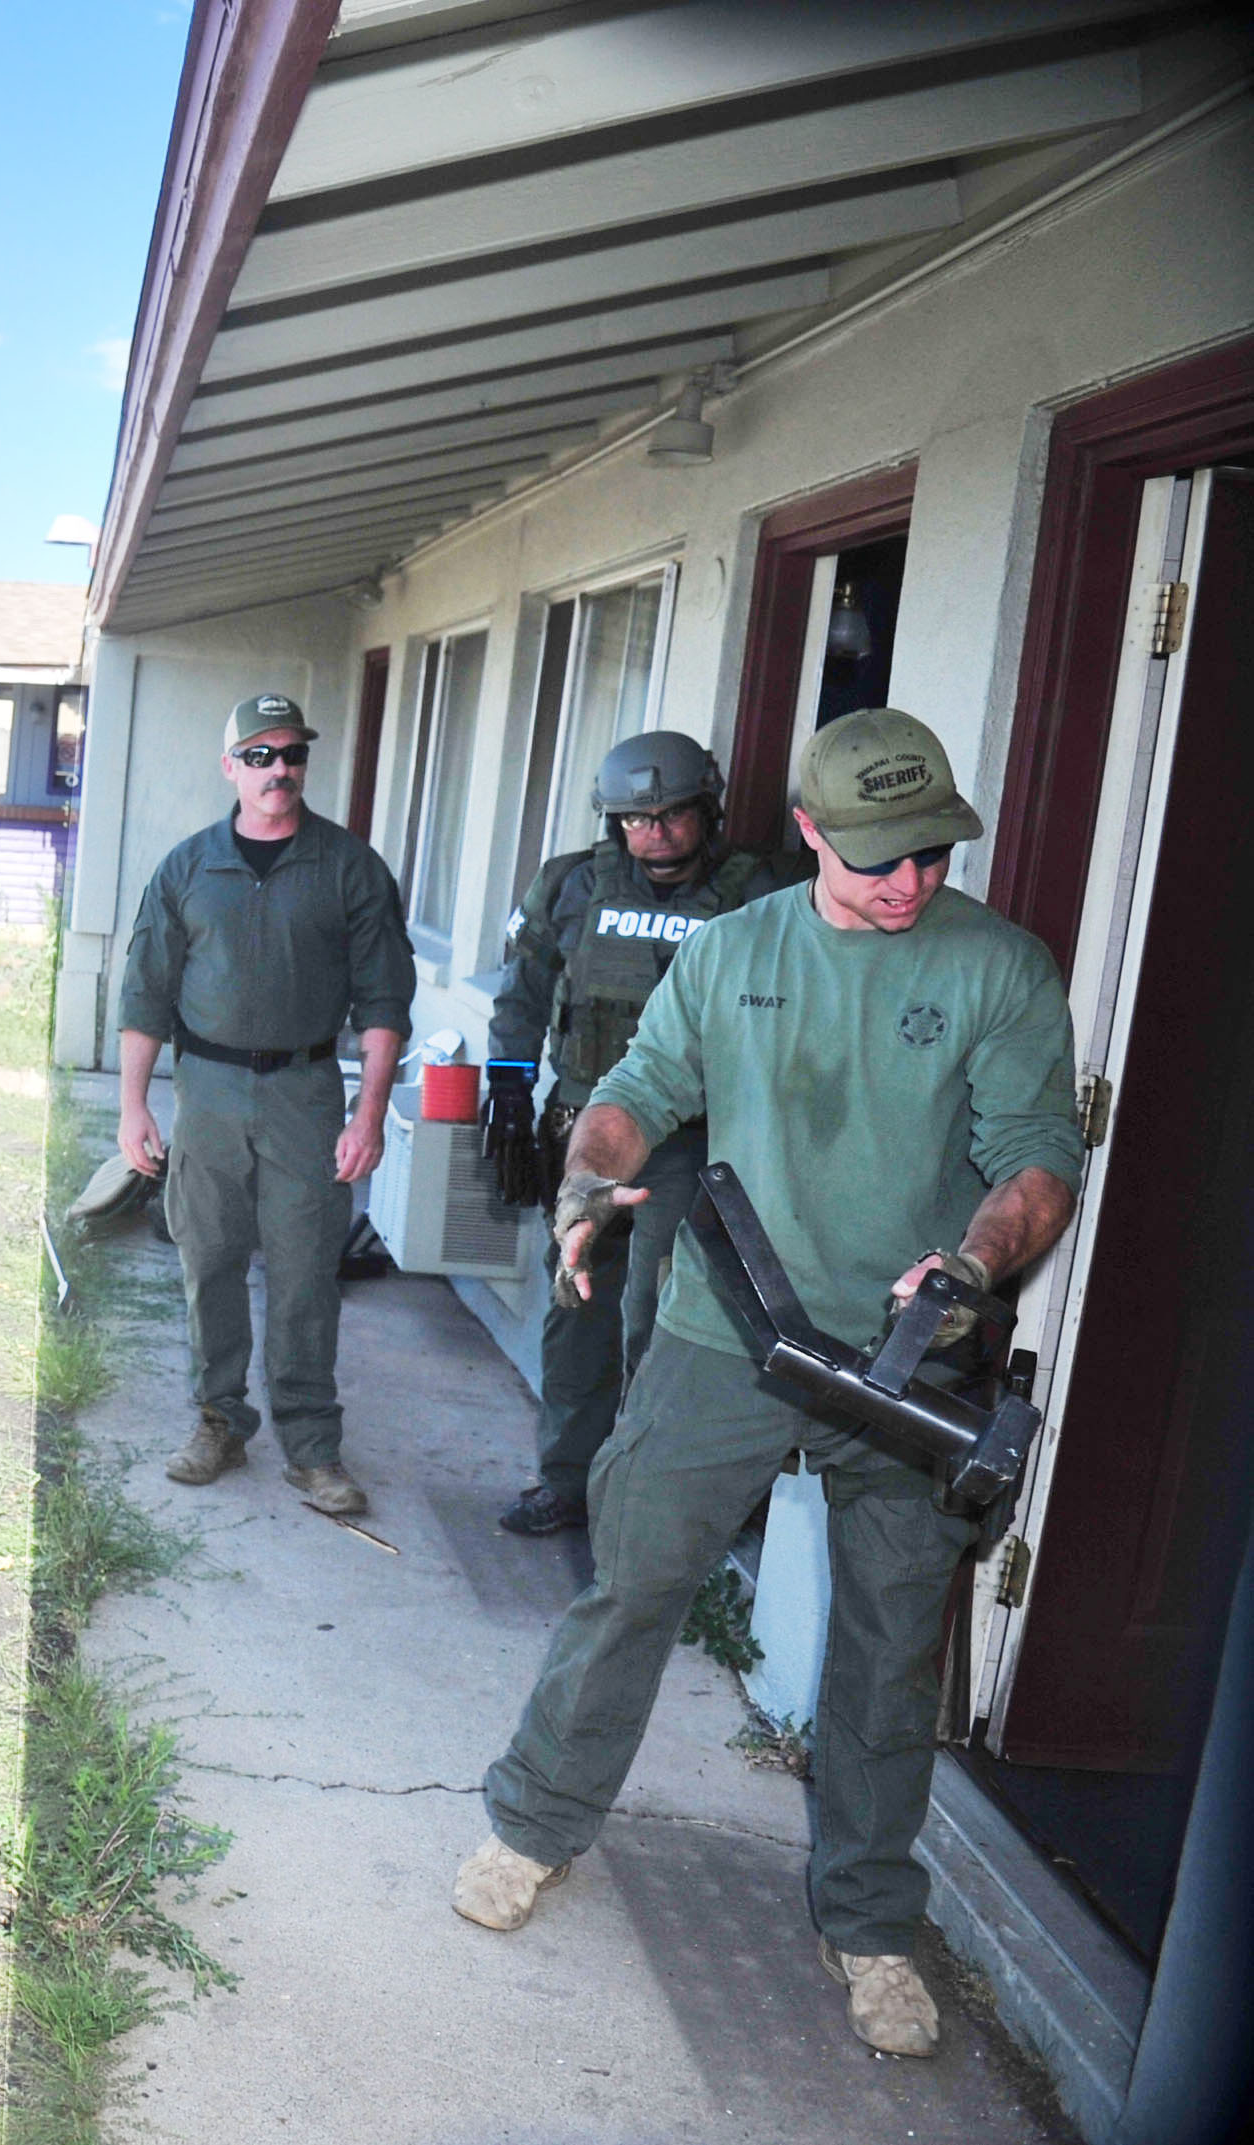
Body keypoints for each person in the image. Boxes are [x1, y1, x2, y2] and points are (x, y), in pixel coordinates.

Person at [458, 709, 1082, 2061]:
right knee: (630, 1585)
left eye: (929, 853)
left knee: (888, 1647)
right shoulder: (735, 950)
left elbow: (1036, 1159)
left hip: (920, 1358)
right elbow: (635, 1092)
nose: (908, 881)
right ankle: (534, 1824)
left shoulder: (999, 967)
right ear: (806, 830)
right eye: (875, 857)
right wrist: (587, 1172)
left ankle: (864, 1920)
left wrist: (974, 1264)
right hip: (728, 1328)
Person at [482, 732, 800, 1536]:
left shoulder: (755, 895)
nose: (651, 833)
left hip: (692, 1140)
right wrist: (511, 1088)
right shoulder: (573, 884)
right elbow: (523, 990)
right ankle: (564, 1477)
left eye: (668, 815)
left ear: (705, 810)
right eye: (632, 818)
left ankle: (643, 1494)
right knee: (575, 1299)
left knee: (660, 1314)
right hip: (585, 1127)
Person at [118, 693, 411, 1517]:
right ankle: (219, 1419)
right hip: (206, 1089)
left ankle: (311, 1445)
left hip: (305, 1091)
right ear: (230, 768)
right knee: (206, 1257)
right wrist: (133, 1107)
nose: (277, 769)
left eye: (290, 754)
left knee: (304, 1271)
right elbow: (145, 994)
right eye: (259, 755)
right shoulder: (187, 867)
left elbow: (384, 1001)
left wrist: (368, 1113)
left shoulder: (349, 867)